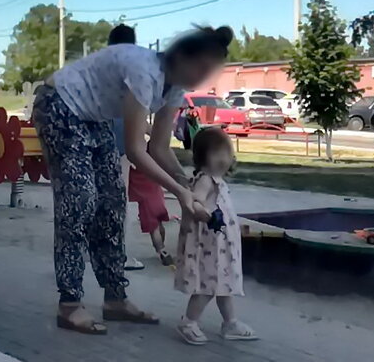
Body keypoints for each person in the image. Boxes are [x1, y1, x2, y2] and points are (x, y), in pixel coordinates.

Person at [32, 25, 232, 335]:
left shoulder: (175, 86)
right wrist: (180, 192)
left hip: (91, 117)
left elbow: (160, 147)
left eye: (209, 70)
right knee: (80, 201)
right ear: (181, 56)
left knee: (113, 203)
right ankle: (69, 304)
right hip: (58, 104)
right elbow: (137, 151)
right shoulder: (145, 71)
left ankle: (115, 299)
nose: (203, 76)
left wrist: (188, 183)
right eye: (201, 67)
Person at [175, 127, 256, 345]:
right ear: (203, 158)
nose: (223, 159)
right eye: (216, 154)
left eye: (226, 153)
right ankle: (189, 322)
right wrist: (199, 207)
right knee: (208, 286)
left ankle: (230, 322)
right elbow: (196, 200)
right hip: (210, 247)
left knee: (223, 284)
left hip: (221, 245)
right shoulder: (206, 180)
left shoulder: (218, 181)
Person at [106, 24, 144, 271]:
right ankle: (119, 254)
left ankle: (93, 250)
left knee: (97, 197)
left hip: (95, 137)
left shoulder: (100, 65)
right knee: (119, 200)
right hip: (122, 140)